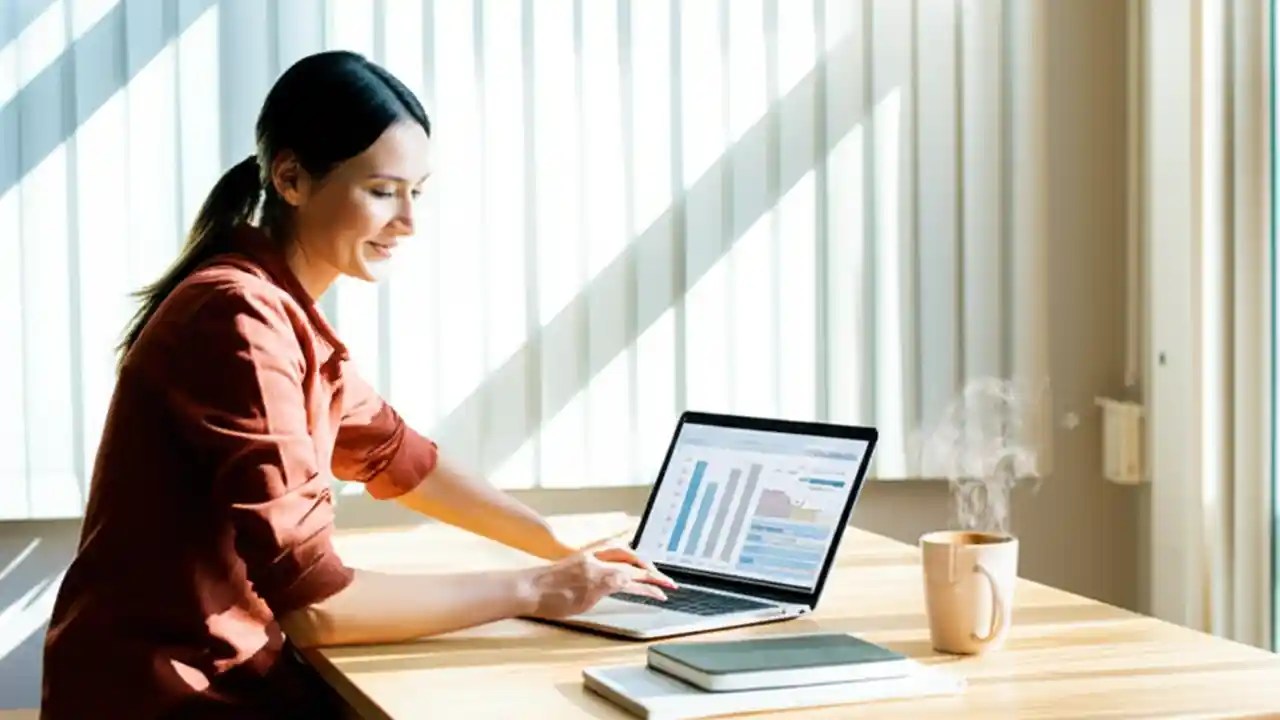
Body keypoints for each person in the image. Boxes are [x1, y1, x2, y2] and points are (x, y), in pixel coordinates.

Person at [40, 50, 674, 719]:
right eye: (382, 191)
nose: (408, 222)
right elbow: (318, 607)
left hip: (223, 681)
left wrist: (559, 545)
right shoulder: (237, 316)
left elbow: (400, 458)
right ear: (291, 178)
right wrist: (537, 587)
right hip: (171, 697)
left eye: (416, 192)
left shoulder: (282, 316)